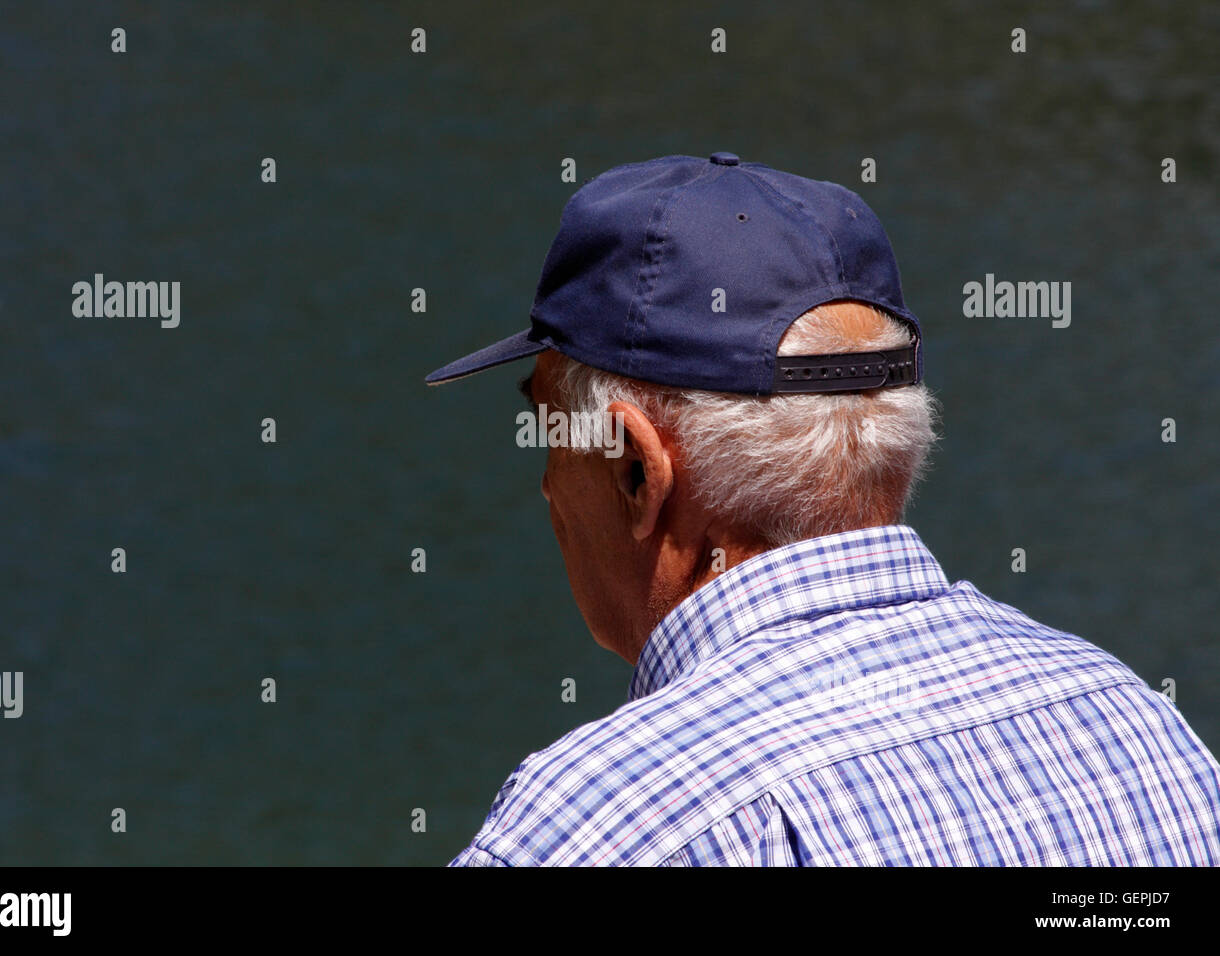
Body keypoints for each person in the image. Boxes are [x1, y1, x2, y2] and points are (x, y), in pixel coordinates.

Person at [425, 152, 1220, 866]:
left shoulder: (603, 825)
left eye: (548, 430)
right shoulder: (1135, 726)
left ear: (638, 469)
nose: (545, 488)